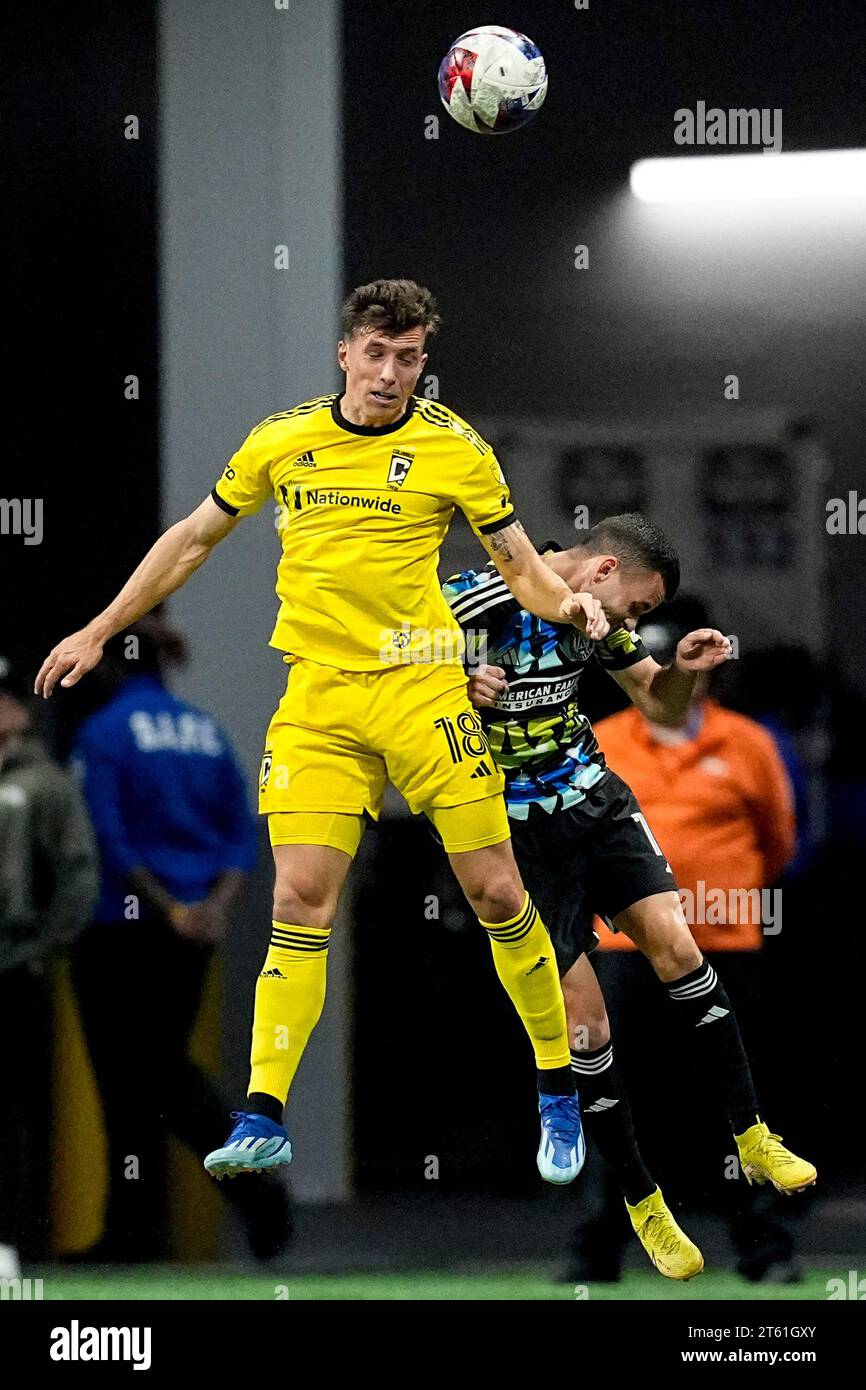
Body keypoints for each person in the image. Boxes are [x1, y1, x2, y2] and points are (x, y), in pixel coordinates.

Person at [36, 279, 608, 1188]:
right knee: (298, 900)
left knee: (497, 893)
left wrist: (568, 602)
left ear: (423, 363)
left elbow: (524, 568)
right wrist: (103, 627)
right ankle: (263, 1114)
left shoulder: (454, 449)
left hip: (425, 689)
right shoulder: (283, 439)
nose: (389, 373)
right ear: (346, 352)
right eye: (375, 353)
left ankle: (554, 1085)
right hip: (319, 702)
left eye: (408, 357)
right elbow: (191, 539)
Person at [445, 515, 816, 1281]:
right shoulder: (471, 602)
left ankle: (752, 1136)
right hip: (512, 827)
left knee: (680, 948)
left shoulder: (595, 617)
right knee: (588, 1029)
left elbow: (662, 701)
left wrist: (677, 666)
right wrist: (456, 687)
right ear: (606, 568)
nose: (633, 624)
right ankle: (643, 1209)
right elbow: (387, 679)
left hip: (594, 801)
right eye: (638, 609)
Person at [578, 599, 809, 1282]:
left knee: (742, 1106)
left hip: (726, 949)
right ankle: (596, 1254)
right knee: (615, 1099)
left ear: (702, 675)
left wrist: (714, 906)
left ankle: (764, 1251)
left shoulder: (750, 745)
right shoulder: (601, 741)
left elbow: (778, 842)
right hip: (626, 957)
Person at [68, 616, 289, 1261]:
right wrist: (209, 908)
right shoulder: (206, 735)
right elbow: (241, 834)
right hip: (191, 934)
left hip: (121, 930)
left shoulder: (103, 734)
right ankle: (137, 1233)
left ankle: (239, 1194)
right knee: (160, 1073)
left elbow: (107, 838)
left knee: (137, 1080)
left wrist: (163, 906)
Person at [0, 654, 99, 1274]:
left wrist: (40, 948)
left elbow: (78, 878)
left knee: (14, 1111)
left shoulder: (41, 783)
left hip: (14, 967)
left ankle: (14, 1238)